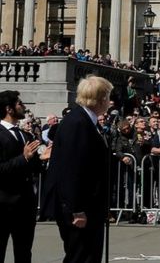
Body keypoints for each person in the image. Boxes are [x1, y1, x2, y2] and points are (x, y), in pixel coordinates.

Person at [42, 76, 112, 263]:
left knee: (88, 255)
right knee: (81, 257)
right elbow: (71, 170)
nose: (109, 102)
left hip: (89, 205)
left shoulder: (88, 121)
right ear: (100, 98)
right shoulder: (78, 123)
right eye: (107, 97)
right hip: (79, 208)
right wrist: (77, 209)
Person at [0, 91, 40, 263]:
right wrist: (23, 158)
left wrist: (43, 157)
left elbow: (33, 165)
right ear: (9, 109)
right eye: (19, 103)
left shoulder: (25, 134)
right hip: (3, 204)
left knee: (24, 252)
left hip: (25, 204)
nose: (23, 106)